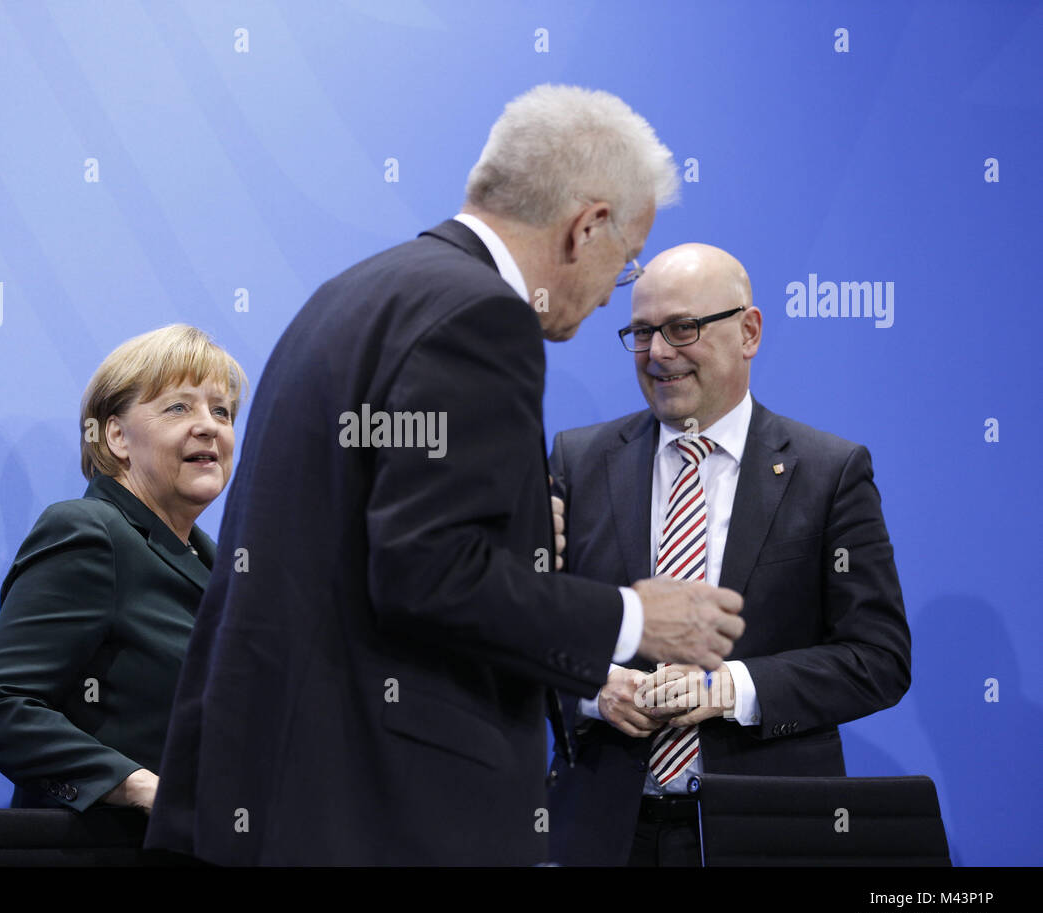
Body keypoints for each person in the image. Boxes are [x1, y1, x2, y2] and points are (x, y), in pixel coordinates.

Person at [145, 86, 746, 866]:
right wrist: (634, 619)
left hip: (273, 797)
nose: (610, 295)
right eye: (625, 260)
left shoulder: (355, 294)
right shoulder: (481, 316)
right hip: (382, 814)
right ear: (586, 225)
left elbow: (376, 542)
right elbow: (426, 572)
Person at [545, 243, 912, 865]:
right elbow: (526, 630)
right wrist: (593, 687)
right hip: (602, 830)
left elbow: (878, 658)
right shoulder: (577, 462)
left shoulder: (829, 472)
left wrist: (728, 688)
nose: (659, 352)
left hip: (769, 831)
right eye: (641, 332)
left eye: (682, 327)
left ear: (748, 331)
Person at [0, 324, 246, 815]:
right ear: (115, 435)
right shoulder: (89, 533)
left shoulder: (219, 564)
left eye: (220, 410)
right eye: (179, 407)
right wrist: (143, 789)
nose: (209, 426)